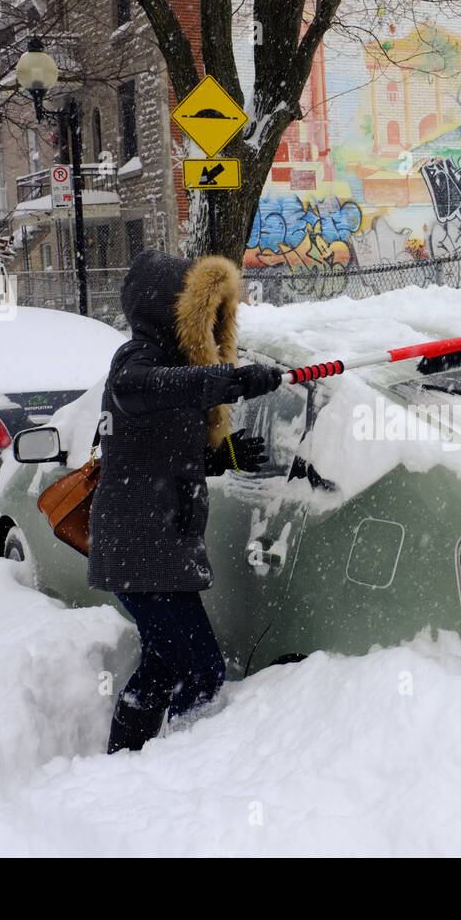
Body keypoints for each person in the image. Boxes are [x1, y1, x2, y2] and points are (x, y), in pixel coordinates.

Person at [88, 249, 281, 753]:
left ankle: (124, 759)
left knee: (162, 662)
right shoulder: (136, 363)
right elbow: (142, 390)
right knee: (202, 669)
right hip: (138, 545)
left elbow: (168, 450)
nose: (214, 323)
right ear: (169, 310)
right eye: (204, 311)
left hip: (162, 542)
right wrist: (229, 380)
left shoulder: (179, 369)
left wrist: (223, 455)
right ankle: (184, 765)